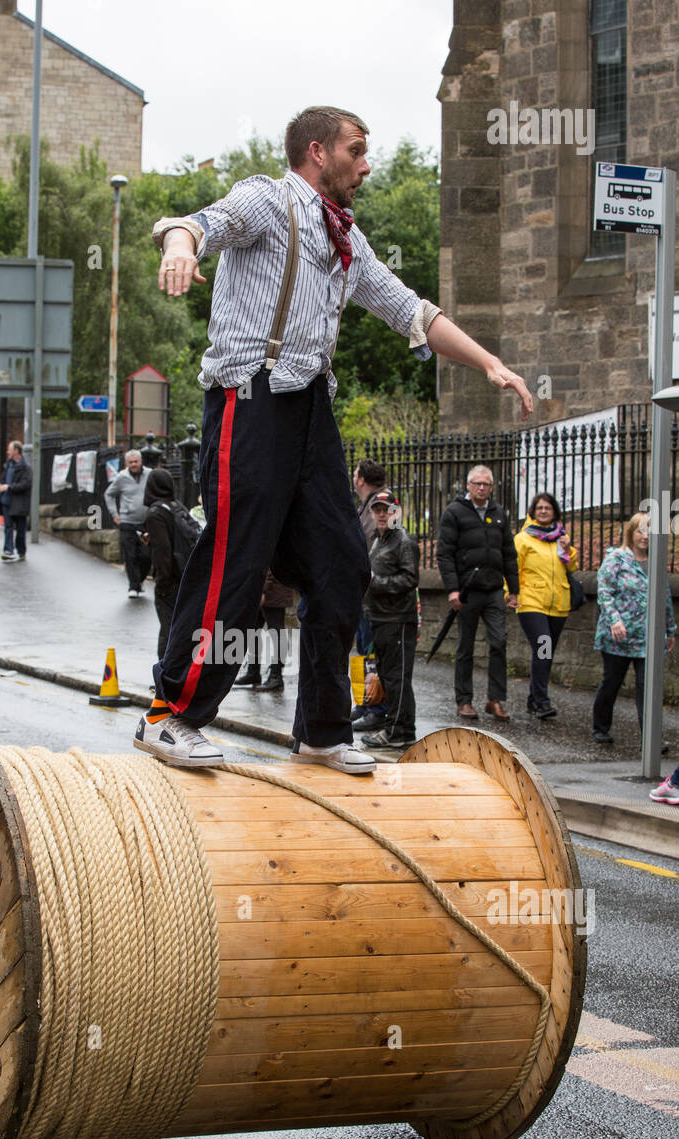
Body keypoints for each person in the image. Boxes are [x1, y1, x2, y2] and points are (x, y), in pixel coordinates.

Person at [133, 105, 532, 771]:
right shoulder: (268, 200)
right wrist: (179, 246)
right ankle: (171, 715)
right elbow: (197, 224)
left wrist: (488, 361)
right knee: (237, 558)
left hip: (311, 410)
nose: (367, 164)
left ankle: (321, 731)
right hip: (251, 398)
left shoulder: (347, 239)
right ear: (317, 152)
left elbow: (410, 309)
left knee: (343, 564)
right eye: (357, 150)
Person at [437, 465, 520, 721]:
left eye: (486, 484)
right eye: (477, 483)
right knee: (465, 647)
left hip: (494, 589)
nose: (482, 488)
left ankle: (494, 699)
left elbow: (509, 553)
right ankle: (464, 700)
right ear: (468, 485)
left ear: (491, 487)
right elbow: (444, 553)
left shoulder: (498, 514)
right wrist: (452, 589)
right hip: (467, 591)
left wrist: (514, 589)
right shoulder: (454, 512)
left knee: (499, 643)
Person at [592, 513, 676, 746]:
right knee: (611, 683)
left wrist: (670, 630)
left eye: (649, 531)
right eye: (640, 530)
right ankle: (600, 727)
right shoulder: (617, 559)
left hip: (647, 636)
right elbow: (604, 592)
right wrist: (615, 620)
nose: (645, 536)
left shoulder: (656, 561)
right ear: (630, 533)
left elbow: (665, 597)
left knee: (648, 688)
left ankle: (651, 739)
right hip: (618, 637)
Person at [358, 490, 419, 749]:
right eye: (377, 510)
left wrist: (376, 582)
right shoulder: (378, 539)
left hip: (398, 619)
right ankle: (395, 728)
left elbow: (409, 579)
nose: (382, 514)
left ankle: (400, 731)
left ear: (397, 512)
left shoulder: (402, 540)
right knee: (387, 674)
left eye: (387, 509)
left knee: (397, 677)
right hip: (380, 617)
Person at [514, 492, 579, 718]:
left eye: (548, 508)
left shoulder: (561, 536)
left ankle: (534, 699)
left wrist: (569, 549)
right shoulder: (523, 539)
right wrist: (509, 593)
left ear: (554, 512)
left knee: (546, 652)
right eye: (539, 507)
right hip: (532, 602)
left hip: (558, 602)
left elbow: (571, 568)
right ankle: (542, 701)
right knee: (543, 649)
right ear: (533, 511)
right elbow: (513, 569)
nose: (543, 511)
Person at [351, 458, 389, 731]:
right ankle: (365, 702)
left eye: (355, 474)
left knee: (372, 651)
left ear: (361, 479)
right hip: (361, 589)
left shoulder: (384, 503)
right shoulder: (365, 506)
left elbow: (389, 543)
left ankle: (377, 709)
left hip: (376, 592)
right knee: (362, 650)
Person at [142, 466, 183, 659]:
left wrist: (162, 581)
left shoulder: (155, 514)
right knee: (182, 628)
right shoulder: (176, 507)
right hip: (185, 576)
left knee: (168, 628)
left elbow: (163, 550)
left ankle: (166, 676)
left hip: (171, 580)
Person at [233, 570, 297, 691]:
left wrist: (263, 590)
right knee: (253, 630)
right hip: (265, 589)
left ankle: (276, 677)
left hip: (273, 591)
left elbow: (272, 566)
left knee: (277, 633)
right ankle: (253, 673)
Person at [104, 450, 152, 597]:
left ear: (141, 461)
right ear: (126, 464)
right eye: (130, 462)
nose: (133, 465)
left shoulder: (150, 474)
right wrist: (115, 514)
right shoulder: (121, 477)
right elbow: (109, 494)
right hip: (127, 522)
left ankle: (140, 581)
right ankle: (133, 586)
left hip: (146, 522)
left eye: (136, 461)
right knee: (130, 555)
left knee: (146, 555)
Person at [0, 440, 32, 561]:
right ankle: (8, 550)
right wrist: (0, 485)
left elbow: (26, 484)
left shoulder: (26, 468)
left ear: (16, 451)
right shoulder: (8, 465)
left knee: (20, 529)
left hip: (20, 503)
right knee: (8, 527)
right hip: (7, 501)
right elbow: (4, 479)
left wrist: (10, 487)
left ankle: (21, 551)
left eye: (9, 449)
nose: (7, 452)